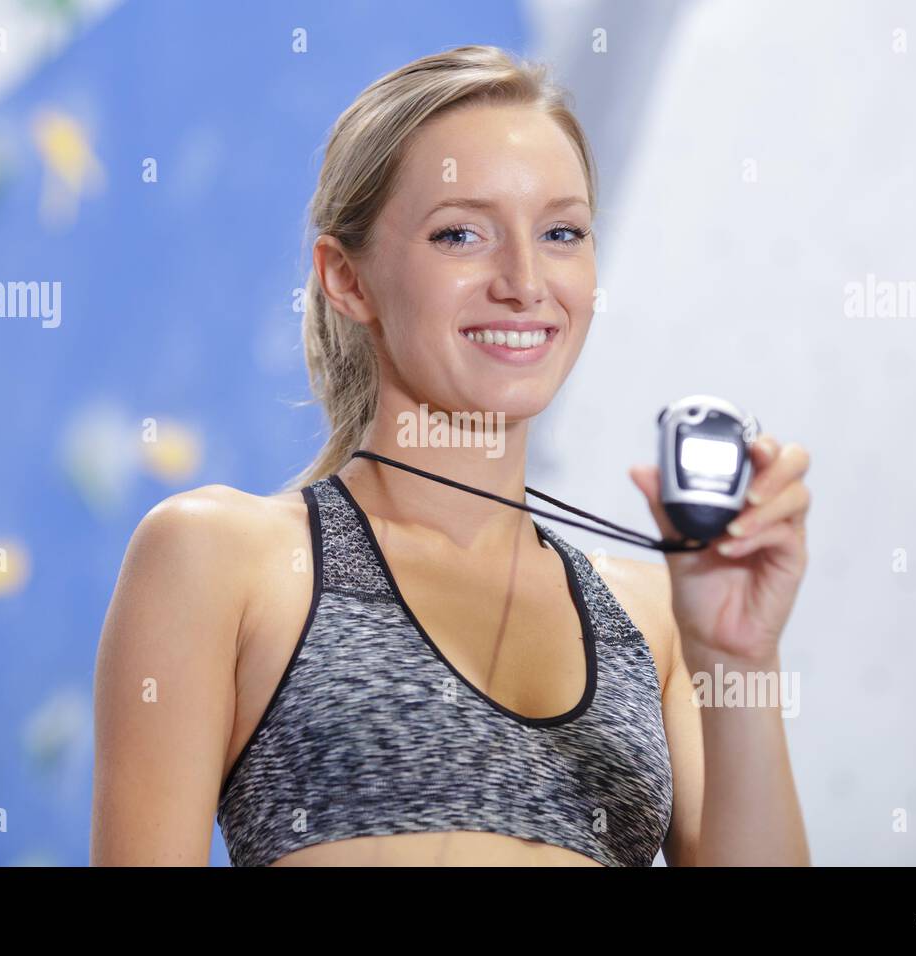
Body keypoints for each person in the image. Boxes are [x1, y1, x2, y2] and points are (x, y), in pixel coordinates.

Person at [90, 44, 812, 867]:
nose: (526, 281)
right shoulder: (222, 555)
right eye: (461, 234)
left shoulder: (657, 621)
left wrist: (739, 657)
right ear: (346, 279)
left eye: (562, 232)